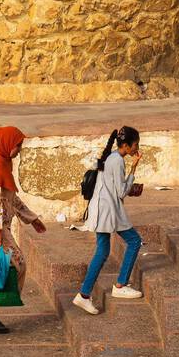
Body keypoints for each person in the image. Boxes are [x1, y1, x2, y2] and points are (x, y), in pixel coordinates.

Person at [0, 125, 46, 333]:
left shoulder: (3, 162)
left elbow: (11, 198)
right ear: (6, 143)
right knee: (16, 263)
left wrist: (31, 219)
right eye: (17, 145)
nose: (19, 149)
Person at [73, 125, 143, 315]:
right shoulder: (118, 161)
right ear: (127, 146)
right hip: (108, 212)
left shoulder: (111, 157)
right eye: (135, 145)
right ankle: (119, 285)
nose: (137, 148)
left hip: (102, 210)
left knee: (103, 251)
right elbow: (121, 192)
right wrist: (134, 169)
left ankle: (84, 294)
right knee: (134, 241)